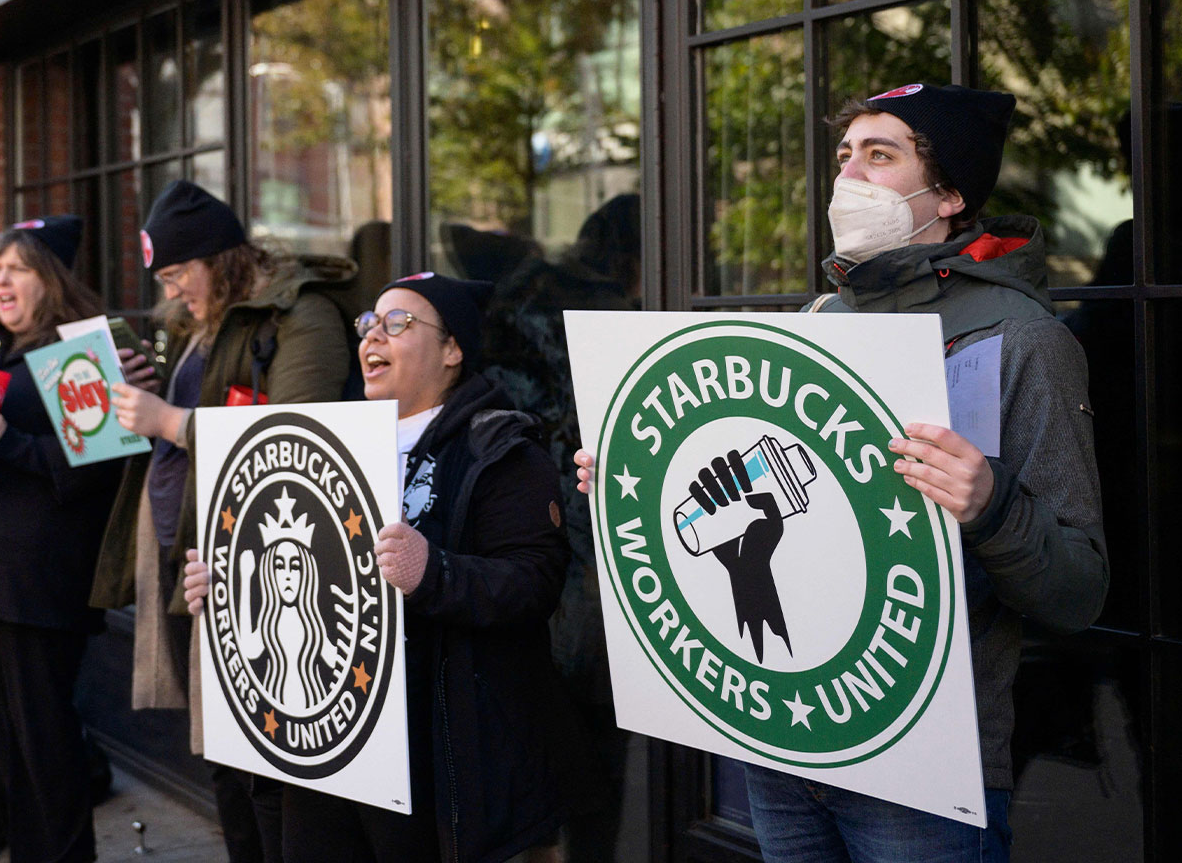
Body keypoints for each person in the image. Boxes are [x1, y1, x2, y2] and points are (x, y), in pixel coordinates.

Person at [577, 82, 1110, 863]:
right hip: (787, 737)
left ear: (950, 195)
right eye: (845, 156)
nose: (849, 178)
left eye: (880, 156)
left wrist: (992, 505)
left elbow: (1078, 593)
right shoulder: (820, 320)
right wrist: (641, 474)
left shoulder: (1024, 341)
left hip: (925, 769)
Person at [184, 272, 573, 862]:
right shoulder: (330, 442)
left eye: (398, 323)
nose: (373, 336)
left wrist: (434, 573)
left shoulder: (499, 450)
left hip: (437, 762)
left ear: (452, 349)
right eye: (368, 323)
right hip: (329, 747)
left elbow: (534, 584)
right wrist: (231, 587)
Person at [98, 180, 354, 863]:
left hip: (266, 567)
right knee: (222, 755)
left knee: (263, 766)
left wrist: (169, 421)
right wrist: (148, 394)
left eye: (179, 273)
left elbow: (301, 441)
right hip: (192, 557)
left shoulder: (300, 316)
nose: (172, 291)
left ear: (221, 259)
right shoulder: (197, 324)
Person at [0, 217, 122, 863]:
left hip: (37, 581)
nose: (0, 281)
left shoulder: (79, 351)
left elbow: (94, 468)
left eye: (19, 269)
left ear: (52, 280)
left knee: (45, 742)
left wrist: (5, 440)